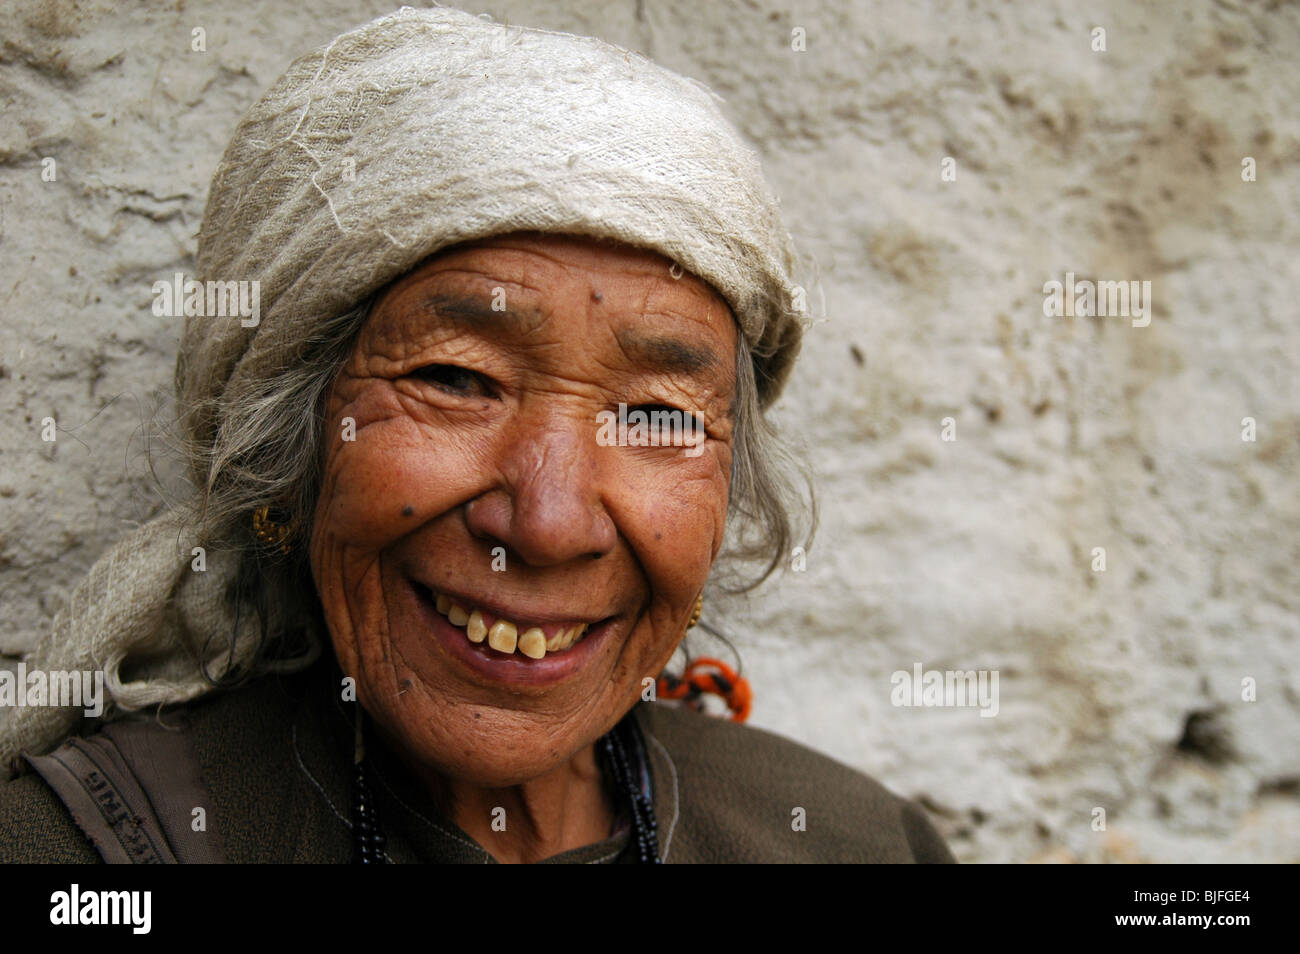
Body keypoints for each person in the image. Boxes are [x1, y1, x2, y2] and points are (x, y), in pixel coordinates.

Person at [0, 6, 955, 864]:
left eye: (659, 415)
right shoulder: (85, 852)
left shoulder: (854, 841)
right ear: (287, 455)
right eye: (455, 379)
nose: (547, 523)